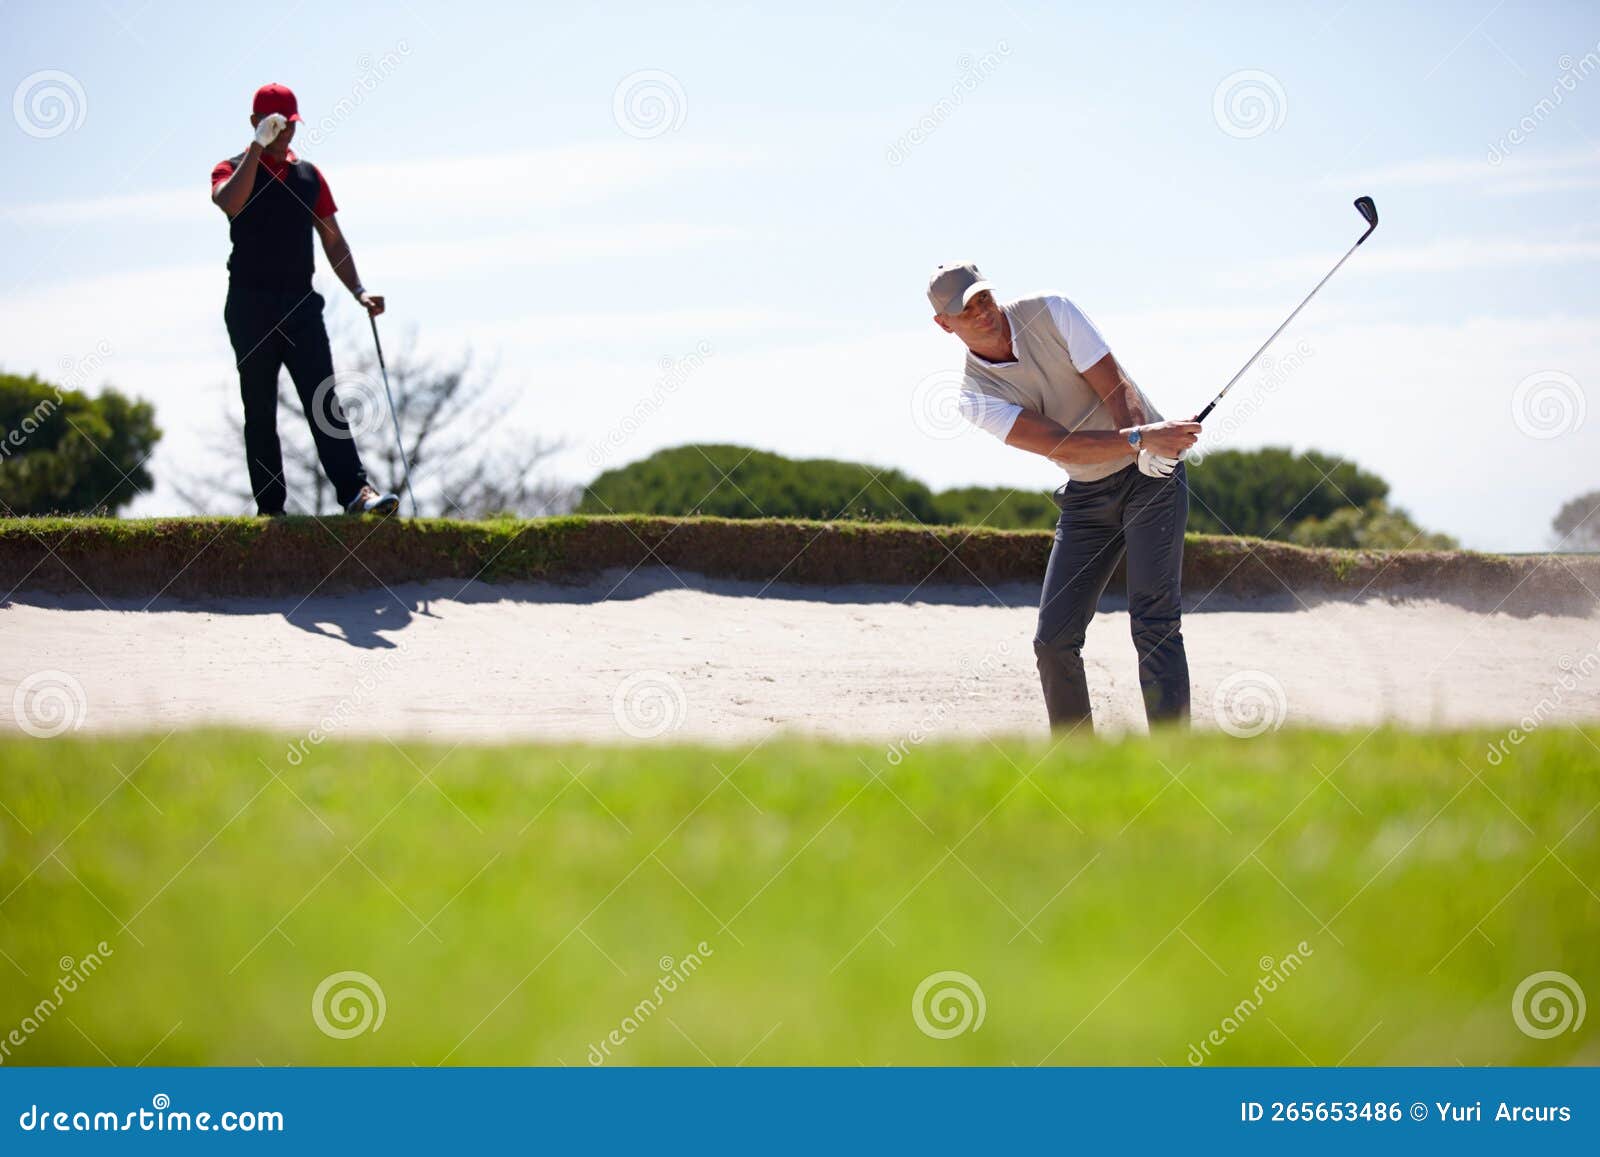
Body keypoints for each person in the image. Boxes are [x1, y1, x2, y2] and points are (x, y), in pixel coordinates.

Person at [928, 261, 1202, 731]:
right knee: (1053, 640)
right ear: (944, 324)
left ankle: (1175, 757)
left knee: (1154, 621)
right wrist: (1140, 441)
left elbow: (1117, 387)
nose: (982, 312)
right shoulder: (974, 396)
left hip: (1152, 479)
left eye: (984, 298)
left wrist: (1143, 447)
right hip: (1087, 496)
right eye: (965, 309)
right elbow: (1061, 443)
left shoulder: (1051, 311)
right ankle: (1077, 761)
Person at [211, 83, 399, 517]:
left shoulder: (309, 176)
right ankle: (270, 509)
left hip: (300, 304)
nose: (283, 134)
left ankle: (357, 492)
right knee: (259, 408)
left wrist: (358, 290)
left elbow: (333, 239)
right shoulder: (231, 168)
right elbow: (231, 204)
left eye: (289, 125)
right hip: (249, 305)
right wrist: (256, 152)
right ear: (256, 123)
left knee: (324, 400)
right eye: (274, 125)